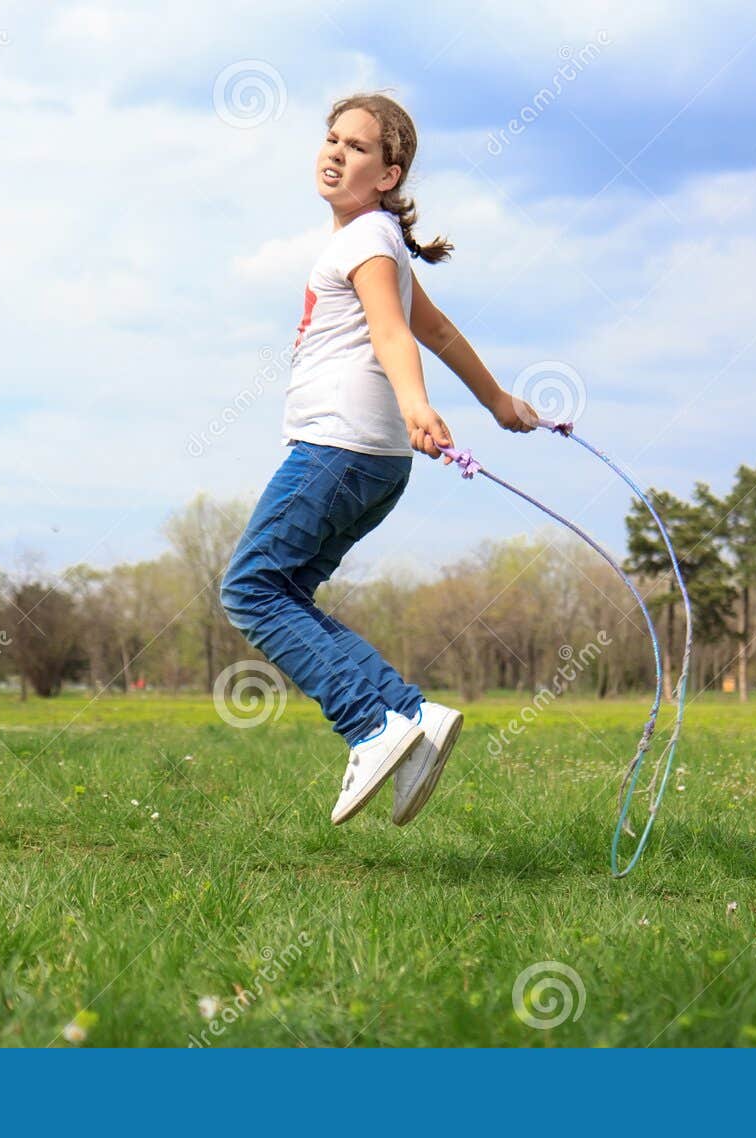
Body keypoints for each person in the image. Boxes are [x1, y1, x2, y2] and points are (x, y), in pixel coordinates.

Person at [220, 91, 536, 827]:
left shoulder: (364, 239)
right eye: (331, 139)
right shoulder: (380, 243)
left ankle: (371, 722)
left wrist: (418, 404)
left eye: (357, 147)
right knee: (285, 590)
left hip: (339, 446)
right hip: (378, 464)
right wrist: (498, 402)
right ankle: (410, 715)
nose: (335, 152)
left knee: (251, 589)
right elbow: (442, 330)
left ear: (389, 174)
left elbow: (397, 335)